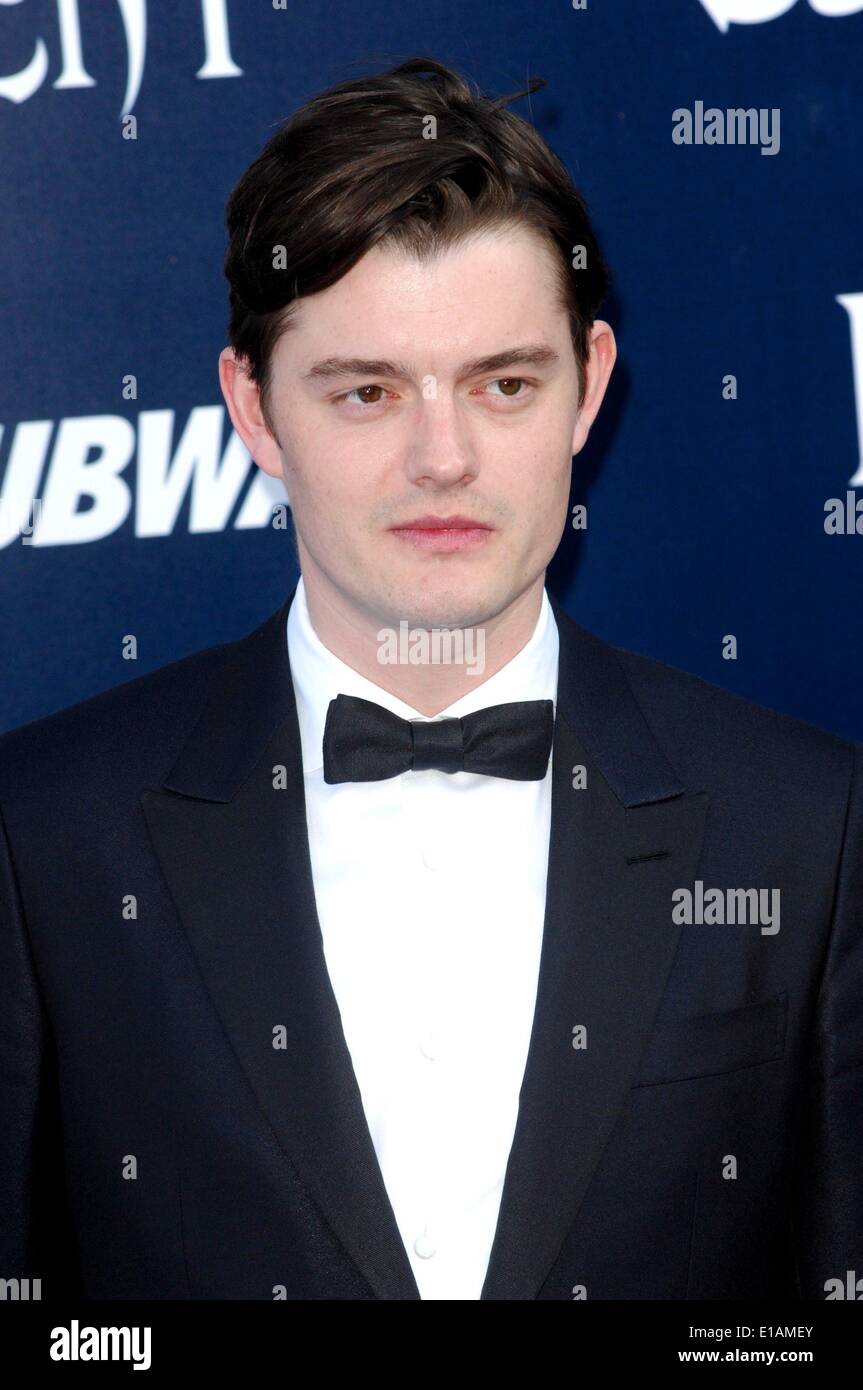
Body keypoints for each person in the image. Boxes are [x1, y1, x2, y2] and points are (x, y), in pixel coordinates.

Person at [1, 56, 860, 1302]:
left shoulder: (805, 831)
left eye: (503, 384)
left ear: (589, 387)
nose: (442, 458)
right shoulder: (44, 838)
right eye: (366, 392)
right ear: (253, 409)